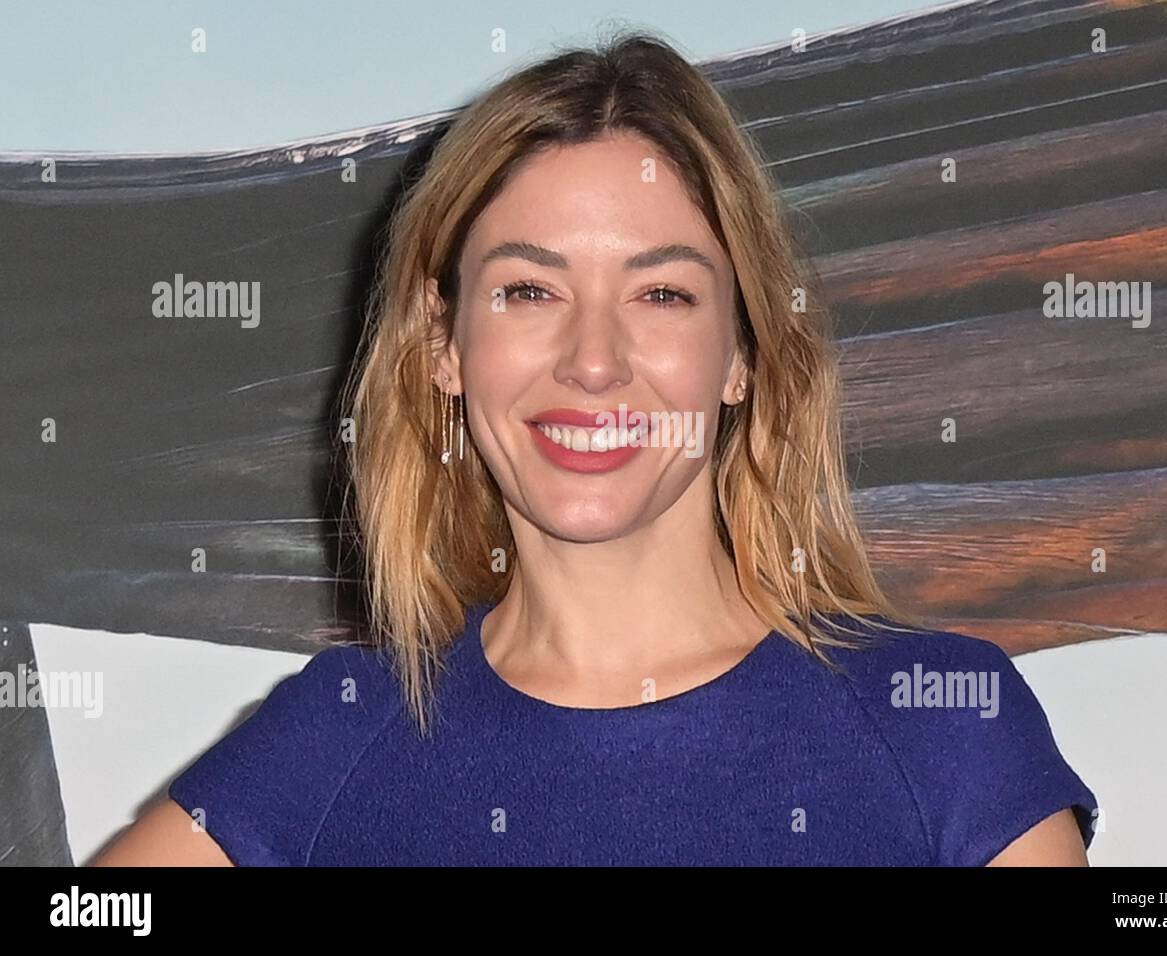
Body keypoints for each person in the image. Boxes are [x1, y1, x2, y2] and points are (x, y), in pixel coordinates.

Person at [93, 31, 1097, 867]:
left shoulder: (939, 730)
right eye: (529, 290)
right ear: (443, 346)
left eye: (661, 293)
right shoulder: (344, 732)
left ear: (739, 355)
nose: (592, 358)